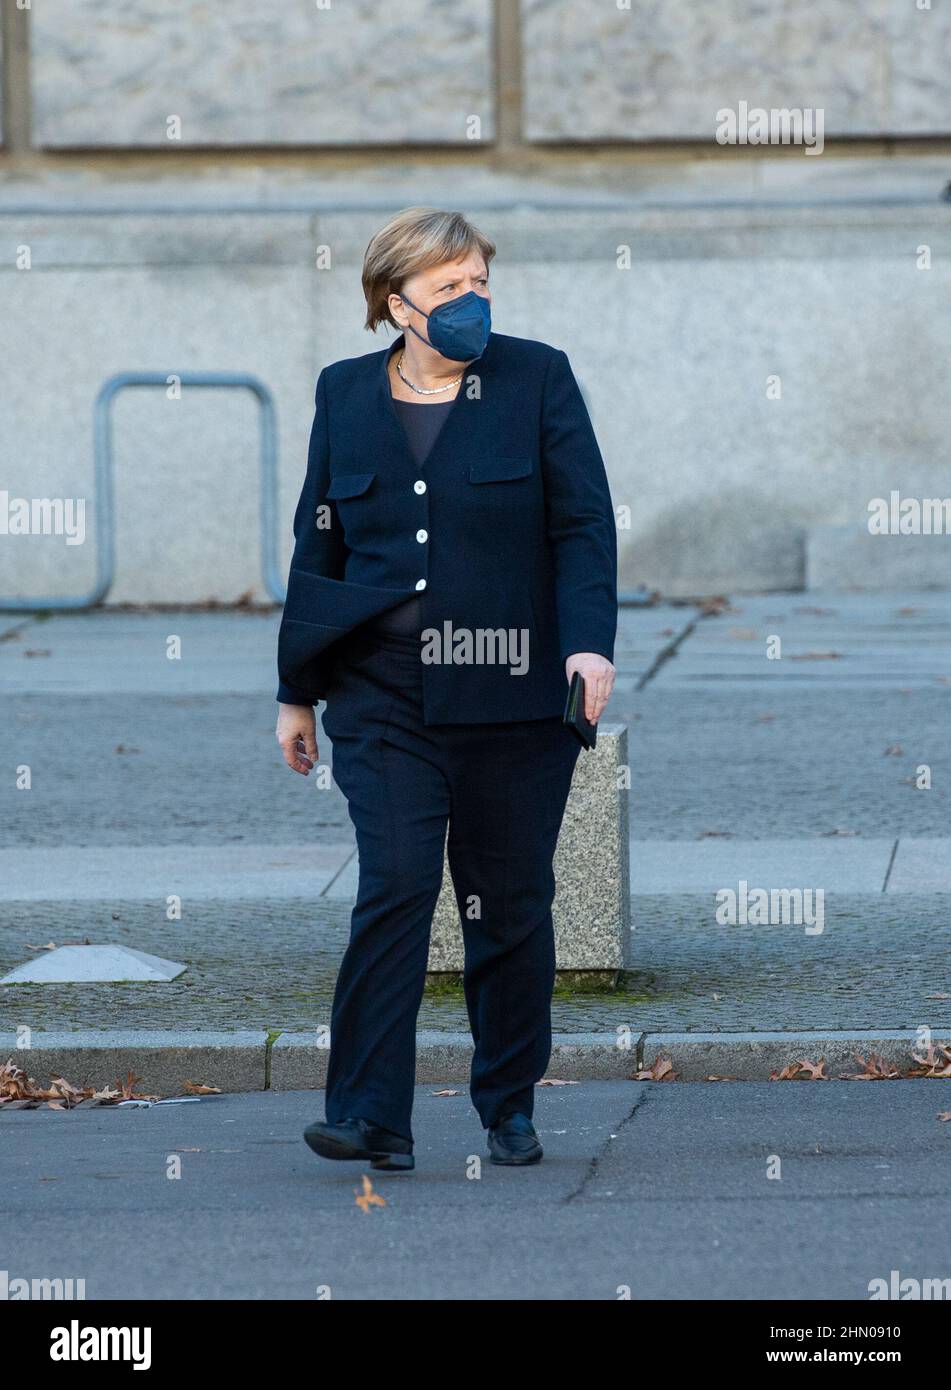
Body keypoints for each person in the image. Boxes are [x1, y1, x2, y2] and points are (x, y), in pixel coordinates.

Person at [275, 206, 617, 1171]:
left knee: (505, 903)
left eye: (478, 282)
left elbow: (582, 526)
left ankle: (507, 1103)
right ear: (397, 305)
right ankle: (370, 1113)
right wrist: (295, 690)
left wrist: (587, 645)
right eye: (446, 288)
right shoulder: (343, 393)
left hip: (510, 693)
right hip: (381, 694)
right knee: (392, 888)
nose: (470, 302)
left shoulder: (535, 376)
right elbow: (321, 545)